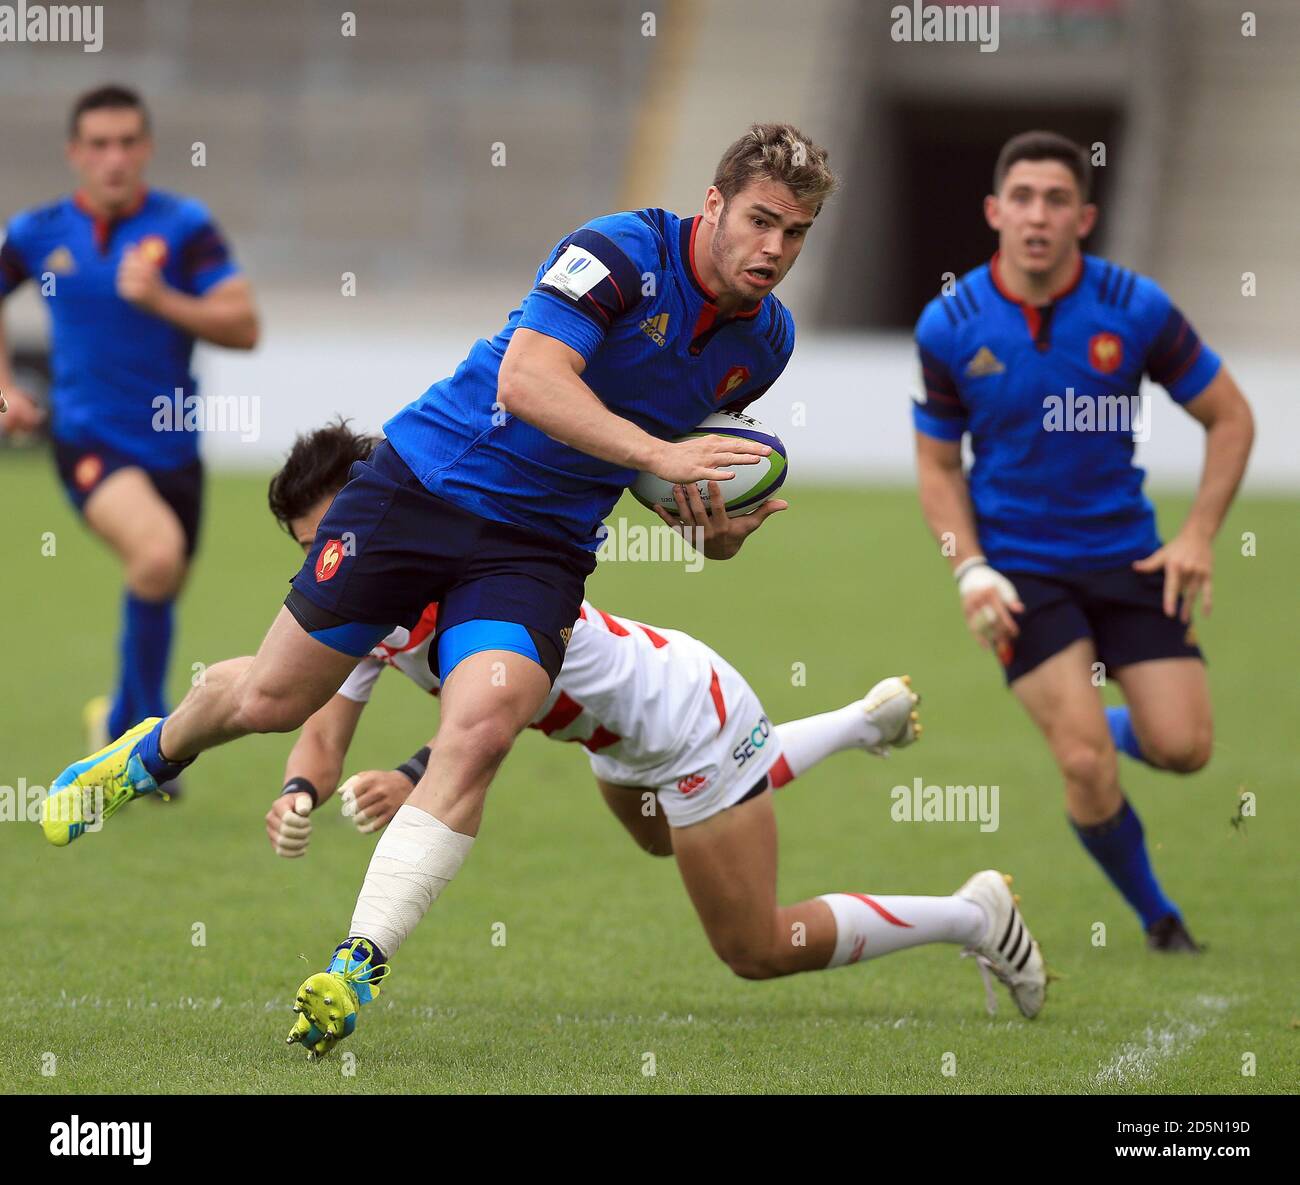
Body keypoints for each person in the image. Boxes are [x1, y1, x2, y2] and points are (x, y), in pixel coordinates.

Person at [42, 123, 840, 1052]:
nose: (775, 250)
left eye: (798, 233)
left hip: (539, 546)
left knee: (486, 722)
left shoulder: (767, 340)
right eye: (761, 221)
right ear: (714, 205)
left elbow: (655, 470)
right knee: (270, 695)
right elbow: (533, 378)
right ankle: (145, 755)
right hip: (424, 483)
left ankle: (354, 967)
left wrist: (709, 529)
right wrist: (661, 454)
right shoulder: (616, 250)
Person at [256, 422, 1044, 1059]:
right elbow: (318, 734)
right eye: (306, 550)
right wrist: (298, 791)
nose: (326, 562)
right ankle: (857, 723)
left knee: (755, 945)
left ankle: (973, 915)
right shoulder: (363, 613)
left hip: (690, 720)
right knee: (663, 842)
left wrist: (411, 772)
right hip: (620, 740)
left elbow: (491, 720)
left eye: (335, 535)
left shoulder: (460, 576)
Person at [911, 131, 1254, 951]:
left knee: (1185, 747)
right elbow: (935, 464)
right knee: (1086, 767)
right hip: (1023, 574)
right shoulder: (949, 325)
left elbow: (1230, 417)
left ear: (1084, 217)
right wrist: (971, 570)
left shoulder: (1135, 308)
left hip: (1129, 555)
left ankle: (1090, 716)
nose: (1038, 215)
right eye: (1022, 198)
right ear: (994, 212)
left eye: (1056, 200)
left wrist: (1199, 534)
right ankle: (1158, 918)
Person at [0, 86, 258, 781]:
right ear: (75, 153)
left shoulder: (183, 227)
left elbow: (244, 326)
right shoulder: (37, 231)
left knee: (163, 576)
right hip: (88, 439)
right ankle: (146, 753)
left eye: (125, 143)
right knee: (156, 555)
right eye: (98, 144)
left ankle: (119, 724)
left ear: (144, 149)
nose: (112, 158)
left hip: (174, 449)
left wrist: (163, 299)